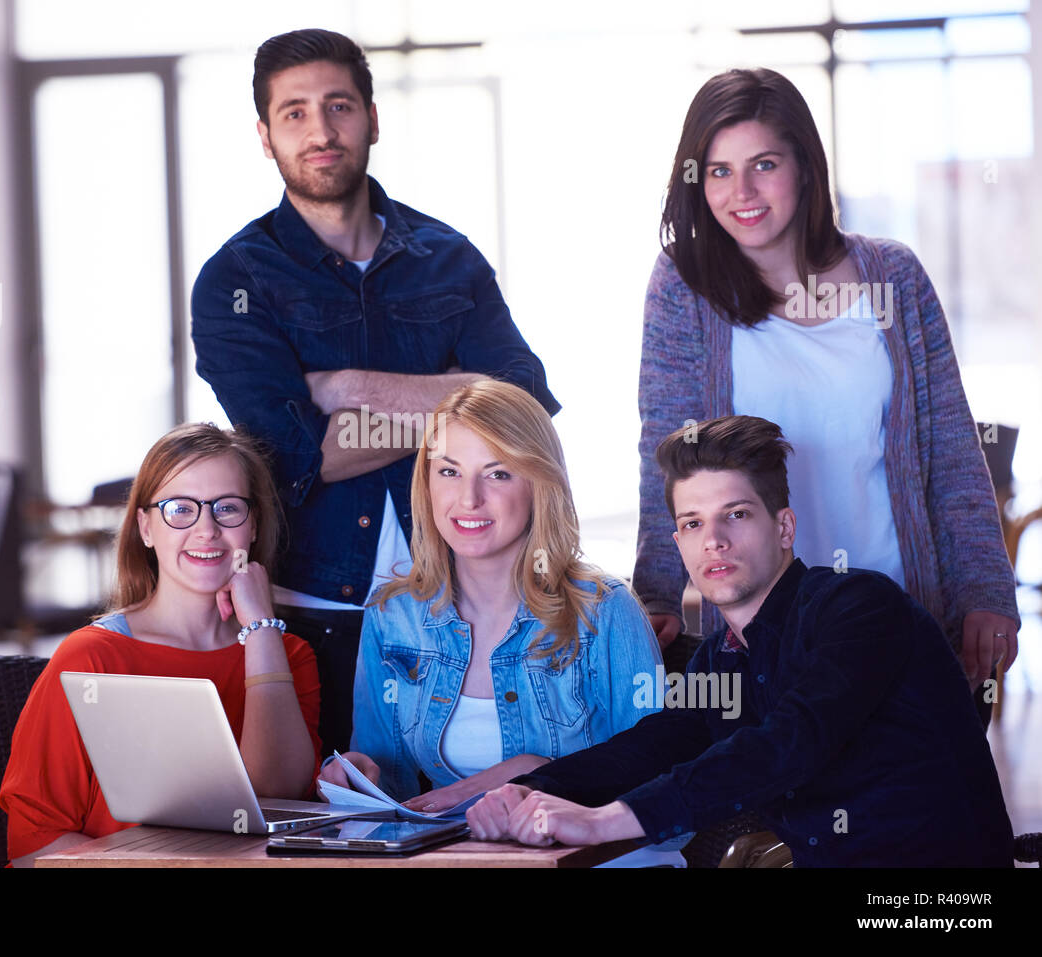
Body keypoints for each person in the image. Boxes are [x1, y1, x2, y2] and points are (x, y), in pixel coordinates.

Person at [191, 29, 558, 757]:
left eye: (338, 106)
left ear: (372, 118)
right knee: (326, 834)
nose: (320, 131)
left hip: (459, 607)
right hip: (315, 613)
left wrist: (347, 387)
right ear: (264, 136)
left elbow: (526, 403)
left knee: (463, 828)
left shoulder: (449, 261)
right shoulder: (234, 282)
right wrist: (462, 412)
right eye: (294, 113)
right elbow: (298, 456)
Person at [633, 68, 1018, 726]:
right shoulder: (685, 286)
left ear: (805, 168)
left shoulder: (892, 276)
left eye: (763, 164)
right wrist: (657, 592)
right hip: (766, 637)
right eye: (719, 171)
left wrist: (985, 588)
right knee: (788, 819)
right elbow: (668, 456)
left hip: (905, 614)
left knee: (915, 811)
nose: (742, 192)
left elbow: (952, 452)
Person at [466, 416, 1015, 867]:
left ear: (784, 527)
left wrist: (608, 820)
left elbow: (791, 740)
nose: (715, 540)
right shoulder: (721, 658)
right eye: (693, 523)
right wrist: (531, 789)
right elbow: (650, 746)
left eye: (736, 514)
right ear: (678, 541)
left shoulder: (860, 606)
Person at [318, 380, 662, 809]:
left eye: (498, 473)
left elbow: (659, 781)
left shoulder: (605, 611)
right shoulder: (392, 615)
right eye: (449, 471)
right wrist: (360, 775)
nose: (469, 499)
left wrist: (532, 777)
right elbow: (394, 790)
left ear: (539, 484)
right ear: (426, 484)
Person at [0, 424, 322, 866]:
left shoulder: (289, 653)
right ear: (146, 528)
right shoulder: (91, 658)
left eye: (227, 508)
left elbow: (277, 790)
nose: (206, 529)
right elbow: (31, 842)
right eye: (180, 509)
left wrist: (262, 628)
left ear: (253, 525)